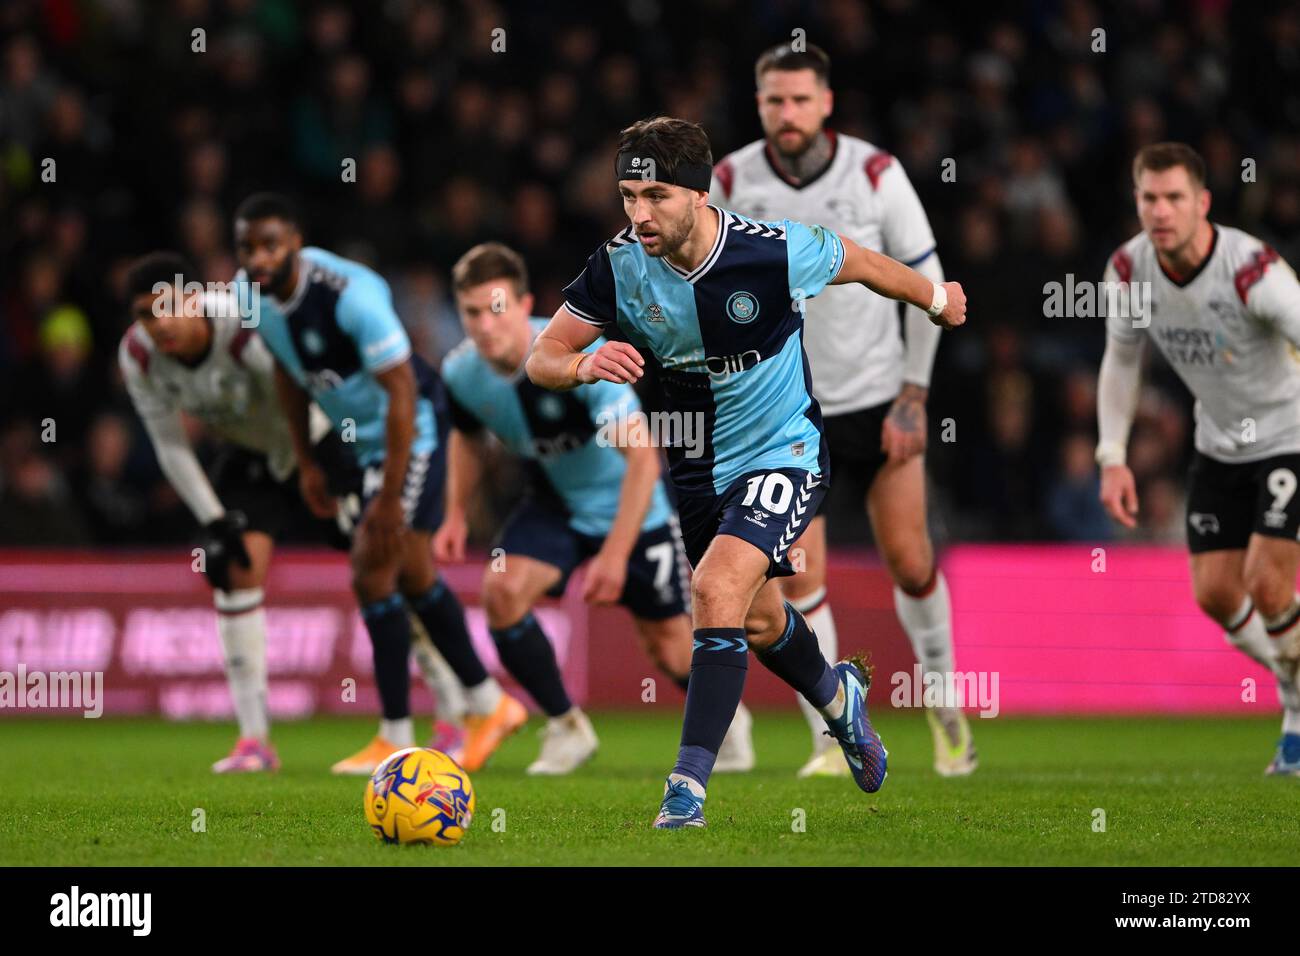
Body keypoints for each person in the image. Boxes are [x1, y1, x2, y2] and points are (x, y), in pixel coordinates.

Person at [526, 116, 966, 827]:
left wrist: (936, 298)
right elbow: (539, 355)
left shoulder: (771, 251)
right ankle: (839, 699)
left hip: (784, 452)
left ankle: (688, 786)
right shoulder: (617, 266)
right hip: (698, 471)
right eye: (629, 195)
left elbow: (859, 260)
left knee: (714, 586)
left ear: (701, 194)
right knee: (756, 619)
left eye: (657, 196)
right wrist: (581, 364)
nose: (639, 213)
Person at [711, 42, 976, 777]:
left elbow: (930, 284)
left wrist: (915, 398)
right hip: (788, 412)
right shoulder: (731, 178)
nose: (786, 113)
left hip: (878, 400)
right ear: (759, 103)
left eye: (800, 99)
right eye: (773, 100)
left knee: (912, 562)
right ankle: (836, 733)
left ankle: (946, 707)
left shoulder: (875, 173)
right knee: (799, 579)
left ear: (827, 102)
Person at [433, 242, 754, 774]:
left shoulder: (572, 355)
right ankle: (565, 727)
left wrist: (613, 554)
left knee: (670, 650)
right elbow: (467, 439)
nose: (484, 327)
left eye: (495, 310)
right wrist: (454, 512)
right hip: (556, 502)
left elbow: (644, 461)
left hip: (635, 511)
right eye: (470, 312)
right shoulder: (462, 372)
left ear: (523, 304)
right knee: (501, 590)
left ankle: (730, 721)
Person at [232, 193, 524, 775]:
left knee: (371, 568)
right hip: (355, 441)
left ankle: (395, 734)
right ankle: (491, 705)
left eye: (270, 244)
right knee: (414, 575)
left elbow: (402, 391)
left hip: (410, 432)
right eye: (246, 247)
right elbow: (290, 375)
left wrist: (390, 498)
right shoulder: (249, 296)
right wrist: (307, 462)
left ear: (295, 240)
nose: (258, 258)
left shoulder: (351, 295)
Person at [1097, 142, 1300, 775]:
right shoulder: (1130, 271)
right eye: (1149, 198)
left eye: (1174, 197)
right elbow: (1123, 361)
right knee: (1216, 594)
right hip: (1217, 443)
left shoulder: (1252, 272)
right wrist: (1112, 454)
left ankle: (1294, 713)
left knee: (1269, 584)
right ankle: (1296, 686)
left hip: (1287, 435)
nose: (1160, 211)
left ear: (1203, 202)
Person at [119, 251, 332, 772]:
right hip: (250, 453)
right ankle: (255, 743)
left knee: (382, 567)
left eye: (168, 306)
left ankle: (446, 717)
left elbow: (308, 398)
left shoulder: (244, 326)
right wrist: (215, 518)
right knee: (232, 568)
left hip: (319, 444)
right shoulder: (138, 356)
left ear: (195, 299)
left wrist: (319, 466)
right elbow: (170, 446)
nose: (159, 324)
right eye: (146, 313)